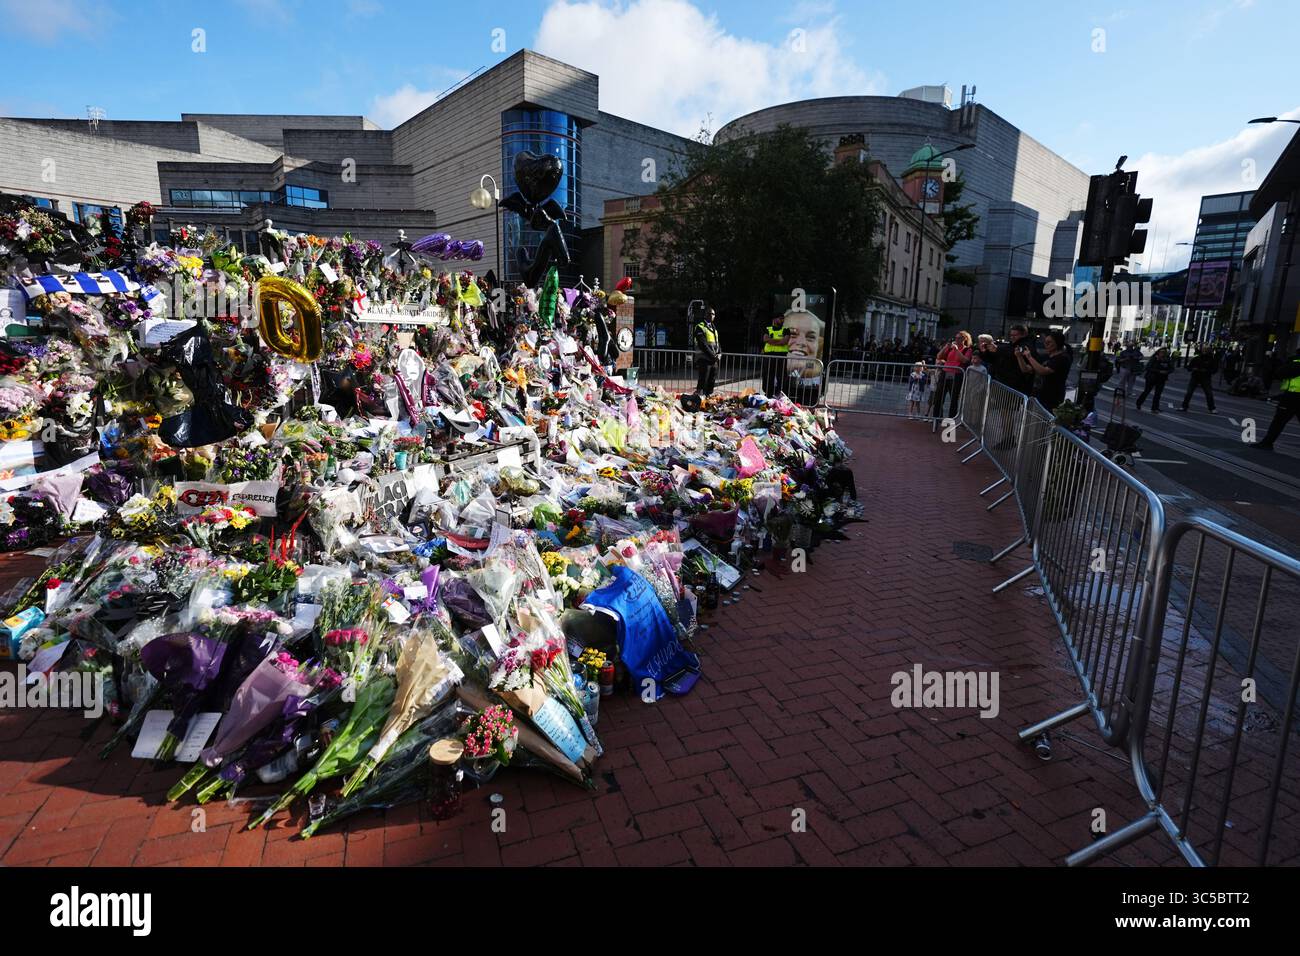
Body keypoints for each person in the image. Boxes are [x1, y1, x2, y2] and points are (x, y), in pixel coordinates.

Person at [1250, 350, 1300, 450]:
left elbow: (1281, 373)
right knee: (1279, 420)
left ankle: (1267, 443)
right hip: (1293, 395)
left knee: (1279, 420)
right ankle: (1267, 442)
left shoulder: (1296, 360)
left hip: (1292, 395)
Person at [1016, 329, 1072, 411]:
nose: (1045, 344)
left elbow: (1043, 371)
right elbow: (1026, 369)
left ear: (1057, 343)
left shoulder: (1063, 358)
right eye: (1045, 342)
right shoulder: (1045, 357)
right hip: (1037, 396)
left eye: (1049, 342)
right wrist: (1019, 356)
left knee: (1045, 421)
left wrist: (1029, 357)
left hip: (1051, 397)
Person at [932, 331, 972, 419]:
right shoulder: (950, 348)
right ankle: (936, 418)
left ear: (964, 339)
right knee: (938, 396)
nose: (956, 340)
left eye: (959, 338)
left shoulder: (967, 349)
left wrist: (957, 349)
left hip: (957, 374)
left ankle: (951, 419)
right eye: (956, 338)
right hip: (945, 372)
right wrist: (946, 347)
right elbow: (939, 356)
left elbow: (964, 360)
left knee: (953, 398)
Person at [693, 306, 721, 400]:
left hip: (713, 360)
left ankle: (708, 399)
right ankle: (699, 400)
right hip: (704, 359)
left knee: (711, 381)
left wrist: (720, 353)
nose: (711, 315)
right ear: (705, 315)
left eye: (713, 314)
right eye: (709, 313)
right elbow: (702, 344)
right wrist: (713, 356)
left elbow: (717, 343)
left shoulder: (714, 328)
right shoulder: (700, 327)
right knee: (703, 381)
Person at [1135, 346, 1174, 414]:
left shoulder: (1167, 360)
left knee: (1158, 394)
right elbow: (1148, 367)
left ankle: (1155, 407)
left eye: (1165, 352)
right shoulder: (1154, 359)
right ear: (1158, 352)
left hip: (1162, 378)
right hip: (1151, 378)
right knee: (1147, 391)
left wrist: (1167, 372)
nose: (1163, 354)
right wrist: (1159, 371)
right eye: (1162, 352)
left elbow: (1172, 368)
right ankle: (1139, 403)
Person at [1181, 344, 1218, 413]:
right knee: (1189, 392)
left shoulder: (1211, 359)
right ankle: (1184, 406)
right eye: (1203, 350)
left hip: (1205, 377)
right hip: (1195, 376)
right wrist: (1193, 369)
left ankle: (1212, 408)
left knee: (1209, 393)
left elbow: (1214, 369)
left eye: (1206, 350)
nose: (1204, 351)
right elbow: (1189, 367)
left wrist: (1207, 371)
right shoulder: (1197, 358)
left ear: (1209, 351)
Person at [762, 311, 790, 397]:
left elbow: (784, 342)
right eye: (780, 319)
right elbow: (765, 339)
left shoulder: (786, 330)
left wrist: (772, 341)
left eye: (783, 319)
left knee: (781, 376)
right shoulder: (768, 329)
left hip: (781, 356)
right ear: (774, 319)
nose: (782, 320)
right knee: (768, 375)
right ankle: (768, 394)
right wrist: (779, 341)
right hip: (769, 356)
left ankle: (780, 393)